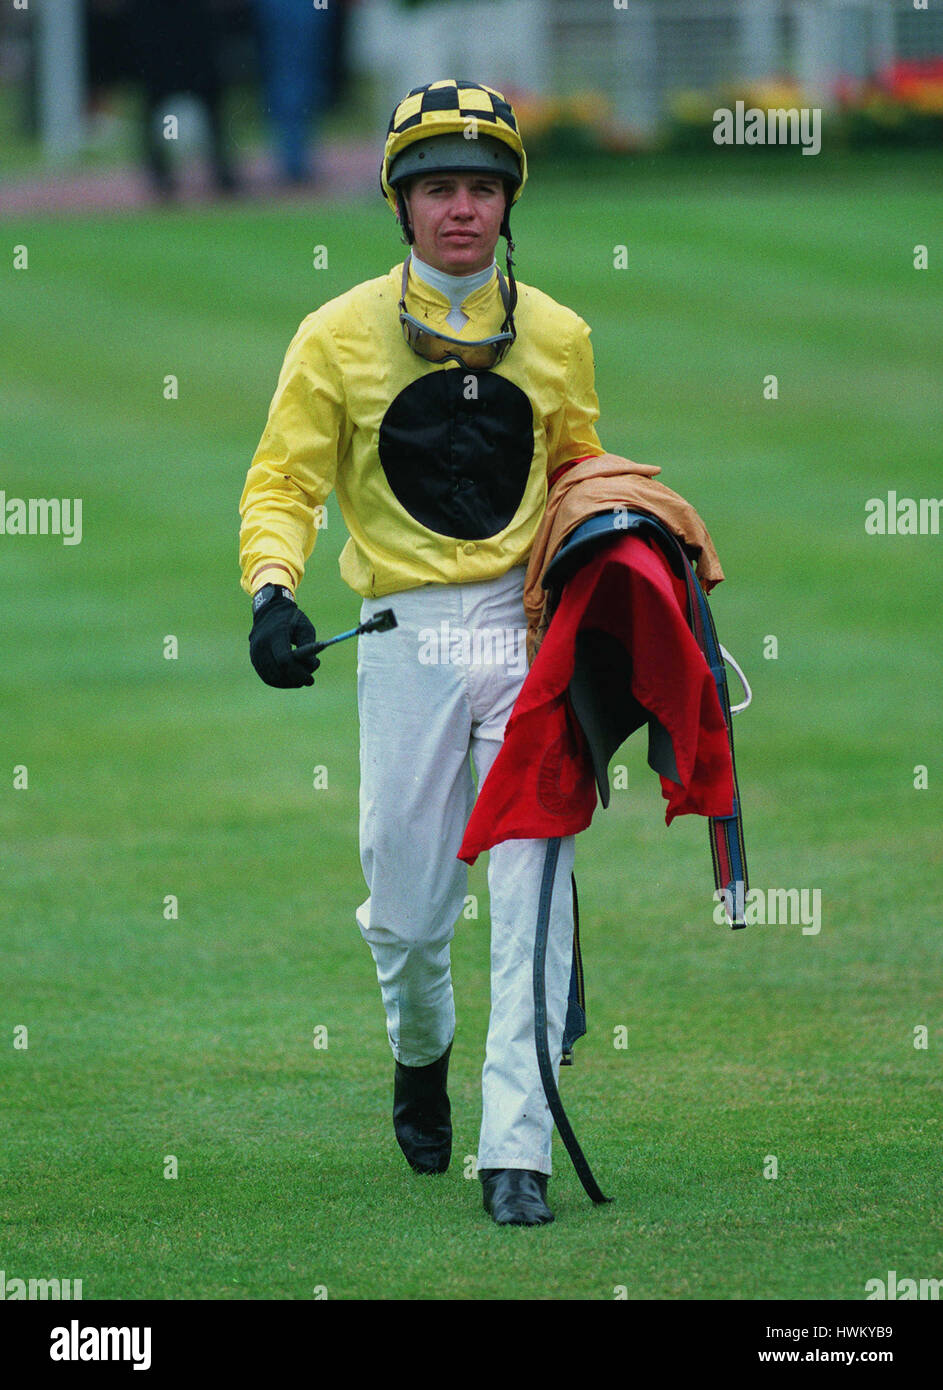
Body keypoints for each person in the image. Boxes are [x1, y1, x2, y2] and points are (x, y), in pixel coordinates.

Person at [238, 80, 608, 1226]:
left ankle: (515, 1149)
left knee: (532, 883)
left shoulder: (558, 335)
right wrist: (272, 591)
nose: (462, 209)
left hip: (522, 630)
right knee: (407, 914)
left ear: (509, 203)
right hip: (402, 638)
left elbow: (578, 477)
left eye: (483, 188)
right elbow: (286, 481)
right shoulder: (333, 334)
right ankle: (418, 1045)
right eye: (439, 188)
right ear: (400, 204)